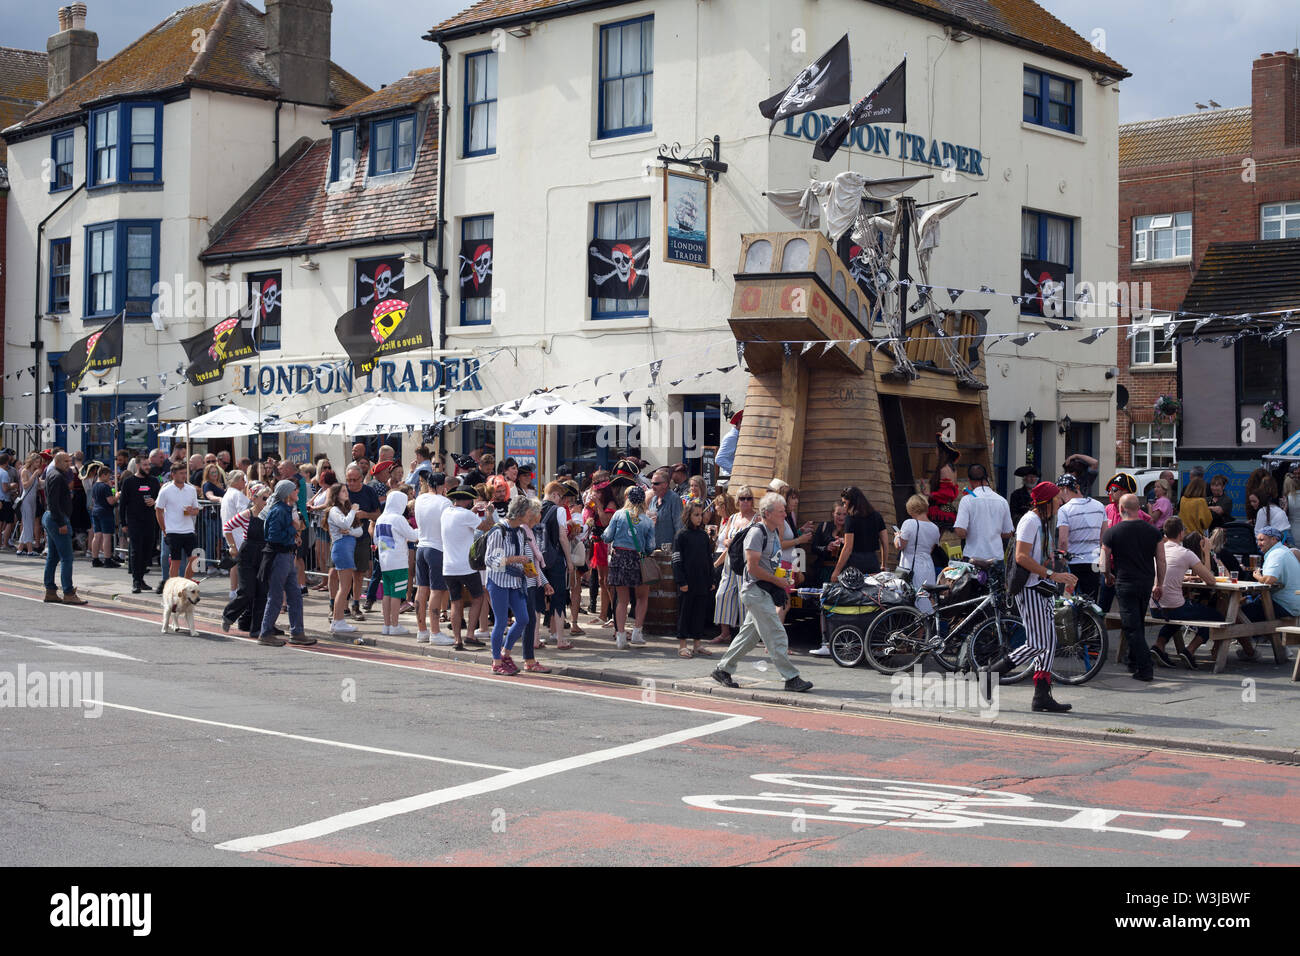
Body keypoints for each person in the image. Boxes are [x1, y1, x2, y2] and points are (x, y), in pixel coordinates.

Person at [983, 480, 1078, 711]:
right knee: (1037, 644)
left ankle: (1041, 696)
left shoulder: (1044, 522)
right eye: (1056, 498)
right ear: (1046, 502)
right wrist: (1052, 574)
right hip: (1030, 589)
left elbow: (1037, 553)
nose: (1060, 501)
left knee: (1049, 643)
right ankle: (990, 673)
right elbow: (1021, 557)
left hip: (1041, 588)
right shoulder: (1030, 521)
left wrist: (1057, 559)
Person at [710, 491, 812, 693]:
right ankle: (791, 677)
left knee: (747, 637)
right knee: (776, 634)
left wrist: (783, 578)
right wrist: (778, 581)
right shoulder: (757, 533)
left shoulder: (774, 532)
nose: (785, 514)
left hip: (764, 590)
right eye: (781, 511)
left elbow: (770, 563)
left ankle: (723, 669)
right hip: (755, 592)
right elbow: (753, 568)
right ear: (768, 513)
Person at [1102, 493, 1166, 682]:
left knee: (1131, 626)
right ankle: (1132, 660)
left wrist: (1107, 575)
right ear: (1139, 508)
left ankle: (1145, 667)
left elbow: (1104, 558)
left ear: (1121, 509)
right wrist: (1159, 583)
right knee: (1137, 620)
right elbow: (1161, 560)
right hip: (1145, 582)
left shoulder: (1112, 532)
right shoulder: (1153, 532)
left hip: (1125, 582)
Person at [1149, 517, 1221, 668]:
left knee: (1176, 615)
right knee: (1214, 616)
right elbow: (1210, 579)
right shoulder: (1185, 553)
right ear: (1181, 533)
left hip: (1154, 608)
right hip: (1174, 607)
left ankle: (1159, 645)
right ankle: (1189, 651)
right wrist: (1206, 552)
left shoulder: (1156, 550)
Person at [484, 495, 543, 675]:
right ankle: (496, 661)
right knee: (501, 622)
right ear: (522, 513)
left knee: (524, 618)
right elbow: (490, 560)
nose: (532, 516)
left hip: (515, 581)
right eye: (530, 513)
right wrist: (514, 559)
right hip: (498, 581)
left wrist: (527, 569)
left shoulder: (520, 531)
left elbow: (523, 556)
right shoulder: (499, 530)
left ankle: (505, 653)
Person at [255, 480, 314, 646]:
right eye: (295, 490)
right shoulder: (279, 510)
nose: (297, 492)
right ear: (288, 493)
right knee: (276, 596)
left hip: (287, 556)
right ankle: (265, 633)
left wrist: (293, 537)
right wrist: (293, 529)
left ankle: (297, 632)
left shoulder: (285, 509)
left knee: (295, 595)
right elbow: (272, 536)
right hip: (279, 557)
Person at [442, 486, 495, 650]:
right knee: (478, 597)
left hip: (448, 567)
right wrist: (489, 512)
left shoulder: (446, 512)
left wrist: (472, 510)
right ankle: (470, 634)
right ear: (466, 500)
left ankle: (457, 639)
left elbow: (464, 520)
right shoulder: (465, 515)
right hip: (467, 566)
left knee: (455, 602)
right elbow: (488, 526)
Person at [603, 484, 655, 648]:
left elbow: (607, 537)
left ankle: (620, 636)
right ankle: (637, 633)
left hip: (619, 558)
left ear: (628, 499)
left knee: (622, 600)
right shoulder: (647, 521)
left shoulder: (618, 515)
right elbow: (650, 547)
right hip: (637, 560)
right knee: (642, 597)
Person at [221, 482, 275, 638]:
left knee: (262, 592)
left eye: (269, 498)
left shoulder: (270, 515)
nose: (267, 501)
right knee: (247, 591)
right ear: (255, 498)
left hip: (264, 554)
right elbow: (227, 527)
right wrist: (232, 547)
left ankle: (256, 628)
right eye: (264, 498)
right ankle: (228, 615)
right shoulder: (247, 514)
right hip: (247, 555)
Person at [42, 452, 87, 605]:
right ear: (58, 461)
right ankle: (68, 592)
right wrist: (61, 523)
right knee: (67, 558)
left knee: (53, 557)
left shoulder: (55, 475)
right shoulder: (57, 477)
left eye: (70, 461)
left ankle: (50, 591)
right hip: (57, 519)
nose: (69, 464)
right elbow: (53, 503)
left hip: (53, 518)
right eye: (66, 461)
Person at [414, 470, 453, 645]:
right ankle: (435, 632)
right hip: (437, 548)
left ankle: (422, 630)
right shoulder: (445, 502)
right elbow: (449, 526)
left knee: (422, 590)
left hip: (421, 547)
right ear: (442, 486)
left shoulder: (419, 499)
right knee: (437, 590)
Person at [374, 489, 419, 636]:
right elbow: (412, 535)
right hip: (398, 562)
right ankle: (395, 625)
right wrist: (423, 530)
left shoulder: (381, 518)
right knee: (396, 594)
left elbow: (376, 540)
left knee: (387, 594)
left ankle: (386, 625)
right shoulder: (398, 518)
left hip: (385, 562)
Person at [673, 500, 715, 659]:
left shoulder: (703, 536)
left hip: (702, 581)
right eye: (695, 515)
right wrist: (681, 581)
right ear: (687, 516)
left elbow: (708, 559)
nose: (699, 518)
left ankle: (697, 643)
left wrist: (711, 580)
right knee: (685, 612)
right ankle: (682, 645)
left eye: (700, 515)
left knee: (699, 613)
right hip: (687, 582)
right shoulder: (681, 535)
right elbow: (676, 560)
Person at [712, 487, 753, 646]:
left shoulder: (756, 518)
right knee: (722, 595)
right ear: (737, 501)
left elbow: (754, 540)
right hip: (730, 561)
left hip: (745, 561)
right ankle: (725, 633)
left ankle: (745, 634)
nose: (745, 501)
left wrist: (733, 542)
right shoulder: (733, 517)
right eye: (742, 498)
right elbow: (725, 541)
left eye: (748, 498)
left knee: (745, 598)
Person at [953, 463, 1013, 571]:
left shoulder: (967, 500)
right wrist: (992, 530)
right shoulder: (1002, 501)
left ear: (970, 481)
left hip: (973, 560)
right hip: (996, 560)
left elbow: (960, 532)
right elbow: (1008, 533)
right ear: (987, 478)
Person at [807, 500, 848, 656]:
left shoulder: (849, 529)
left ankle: (840, 639)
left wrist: (845, 545)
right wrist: (827, 548)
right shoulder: (824, 527)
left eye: (844, 514)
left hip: (842, 571)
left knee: (841, 605)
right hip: (825, 570)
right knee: (824, 605)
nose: (841, 517)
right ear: (833, 514)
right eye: (838, 514)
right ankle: (824, 640)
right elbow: (814, 548)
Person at [1056, 473, 1105, 599]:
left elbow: (1062, 541)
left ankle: (1074, 618)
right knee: (1091, 599)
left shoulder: (1065, 510)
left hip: (1073, 562)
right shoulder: (1099, 506)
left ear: (1064, 489)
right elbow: (1104, 537)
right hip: (1094, 561)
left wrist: (1061, 560)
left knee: (1068, 598)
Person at [1242, 526, 1300, 632]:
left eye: (1262, 540)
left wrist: (1257, 576)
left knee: (1239, 615)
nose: (1259, 543)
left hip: (1286, 606)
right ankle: (1252, 647)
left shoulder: (1277, 553)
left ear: (1273, 539)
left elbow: (1269, 579)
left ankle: (1249, 648)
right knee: (1244, 612)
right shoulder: (1283, 550)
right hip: (1293, 604)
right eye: (1258, 540)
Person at [324, 482, 363, 636]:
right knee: (344, 587)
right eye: (343, 491)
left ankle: (338, 620)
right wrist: (353, 511)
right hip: (341, 548)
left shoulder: (345, 510)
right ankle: (337, 620)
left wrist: (350, 531)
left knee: (345, 586)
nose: (346, 493)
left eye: (346, 491)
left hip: (347, 547)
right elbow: (345, 522)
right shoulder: (334, 510)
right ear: (336, 494)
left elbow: (359, 530)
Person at [538, 482, 572, 649]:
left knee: (537, 599)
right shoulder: (558, 511)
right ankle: (560, 639)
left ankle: (535, 639)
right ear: (554, 495)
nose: (561, 501)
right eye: (560, 496)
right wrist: (570, 561)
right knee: (558, 597)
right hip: (555, 559)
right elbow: (563, 538)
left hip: (537, 559)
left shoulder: (534, 507)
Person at [344, 464, 381, 620]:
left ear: (361, 478)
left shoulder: (368, 491)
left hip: (362, 538)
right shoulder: (341, 491)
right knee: (343, 574)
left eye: (354, 480)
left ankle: (356, 605)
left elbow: (378, 514)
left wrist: (365, 514)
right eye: (348, 480)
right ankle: (341, 606)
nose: (351, 483)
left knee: (359, 573)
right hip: (344, 538)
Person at [119, 453, 161, 592]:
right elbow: (123, 504)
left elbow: (160, 498)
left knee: (147, 551)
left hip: (150, 521)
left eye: (149, 464)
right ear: (137, 466)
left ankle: (141, 578)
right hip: (134, 522)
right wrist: (123, 523)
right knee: (136, 551)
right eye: (145, 465)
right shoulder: (129, 482)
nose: (148, 467)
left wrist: (154, 501)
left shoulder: (154, 481)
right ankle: (136, 581)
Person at [830, 486, 888, 580]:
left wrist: (836, 571)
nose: (844, 506)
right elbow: (885, 543)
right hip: (873, 561)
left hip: (855, 562)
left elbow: (848, 548)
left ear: (852, 501)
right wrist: (883, 564)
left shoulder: (851, 518)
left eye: (845, 502)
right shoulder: (877, 516)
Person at [895, 494, 941, 613]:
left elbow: (900, 546)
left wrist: (897, 537)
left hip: (911, 566)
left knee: (911, 600)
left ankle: (917, 630)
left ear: (911, 509)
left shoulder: (909, 524)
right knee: (926, 600)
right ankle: (927, 630)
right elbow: (930, 550)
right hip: (928, 566)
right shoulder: (935, 528)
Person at [156, 462, 201, 581]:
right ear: (173, 475)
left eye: (185, 473)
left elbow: (196, 510)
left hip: (189, 530)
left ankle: (185, 583)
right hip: (173, 530)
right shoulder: (166, 490)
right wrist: (164, 530)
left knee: (195, 559)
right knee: (176, 562)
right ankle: (174, 587)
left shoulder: (191, 490)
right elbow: (158, 510)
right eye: (181, 473)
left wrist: (192, 511)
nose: (184, 476)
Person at [584, 479, 616, 623]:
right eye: (594, 491)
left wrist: (597, 506)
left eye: (598, 491)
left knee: (608, 582)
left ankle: (615, 616)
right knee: (601, 581)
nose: (595, 493)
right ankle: (603, 615)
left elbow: (605, 522)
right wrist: (589, 508)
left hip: (606, 545)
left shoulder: (610, 504)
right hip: (597, 543)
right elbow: (589, 520)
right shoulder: (599, 504)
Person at [86, 463, 120, 568]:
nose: (110, 478)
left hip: (95, 511)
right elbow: (110, 501)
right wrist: (117, 496)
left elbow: (93, 499)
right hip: (105, 512)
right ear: (104, 475)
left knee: (97, 536)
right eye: (109, 476)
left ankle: (95, 559)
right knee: (107, 536)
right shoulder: (105, 487)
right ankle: (107, 559)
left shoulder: (95, 485)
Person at [649, 466, 682, 549]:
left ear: (665, 484)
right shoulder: (654, 499)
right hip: (653, 549)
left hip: (668, 551)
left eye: (656, 484)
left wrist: (677, 550)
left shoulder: (674, 499)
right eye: (651, 483)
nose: (652, 486)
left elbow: (679, 527)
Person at [927, 462, 960, 533]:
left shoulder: (944, 468)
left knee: (934, 537)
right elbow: (953, 493)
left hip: (938, 510)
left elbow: (947, 493)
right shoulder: (952, 468)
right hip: (947, 509)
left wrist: (931, 494)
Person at [716, 410, 741, 476]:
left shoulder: (738, 436)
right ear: (739, 423)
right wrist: (736, 472)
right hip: (731, 478)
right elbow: (719, 459)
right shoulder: (732, 437)